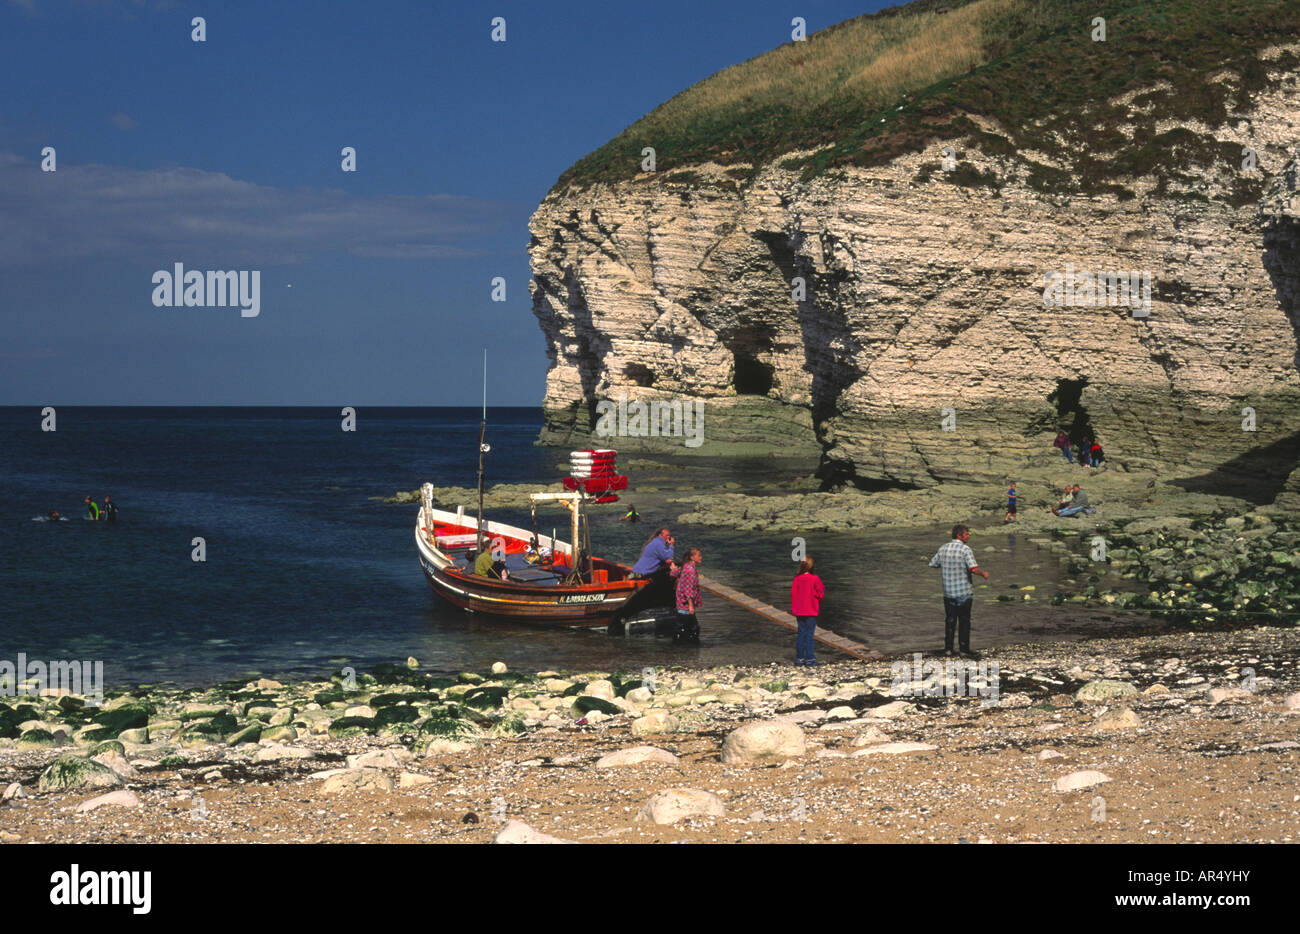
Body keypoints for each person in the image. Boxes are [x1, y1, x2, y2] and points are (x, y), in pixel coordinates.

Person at [928, 524, 989, 658]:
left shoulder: (943, 548)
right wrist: (983, 573)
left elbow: (933, 563)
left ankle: (948, 649)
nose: (969, 536)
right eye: (967, 534)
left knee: (950, 621)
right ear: (959, 535)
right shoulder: (965, 550)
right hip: (963, 592)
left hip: (948, 592)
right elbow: (973, 568)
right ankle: (964, 649)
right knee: (964, 621)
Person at [790, 557, 825, 666]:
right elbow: (821, 594)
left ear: (801, 566)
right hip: (811, 611)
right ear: (811, 567)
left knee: (801, 634)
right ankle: (810, 659)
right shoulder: (815, 579)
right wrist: (815, 598)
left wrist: (795, 608)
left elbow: (793, 594)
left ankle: (799, 659)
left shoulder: (797, 579)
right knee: (809, 635)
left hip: (799, 611)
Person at [670, 547, 703, 644]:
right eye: (699, 556)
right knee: (691, 628)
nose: (701, 558)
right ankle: (683, 648)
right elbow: (688, 590)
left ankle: (682, 649)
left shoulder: (686, 566)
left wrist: (673, 569)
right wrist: (691, 606)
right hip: (685, 605)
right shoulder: (690, 571)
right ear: (692, 557)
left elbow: (674, 573)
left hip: (681, 602)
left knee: (687, 627)